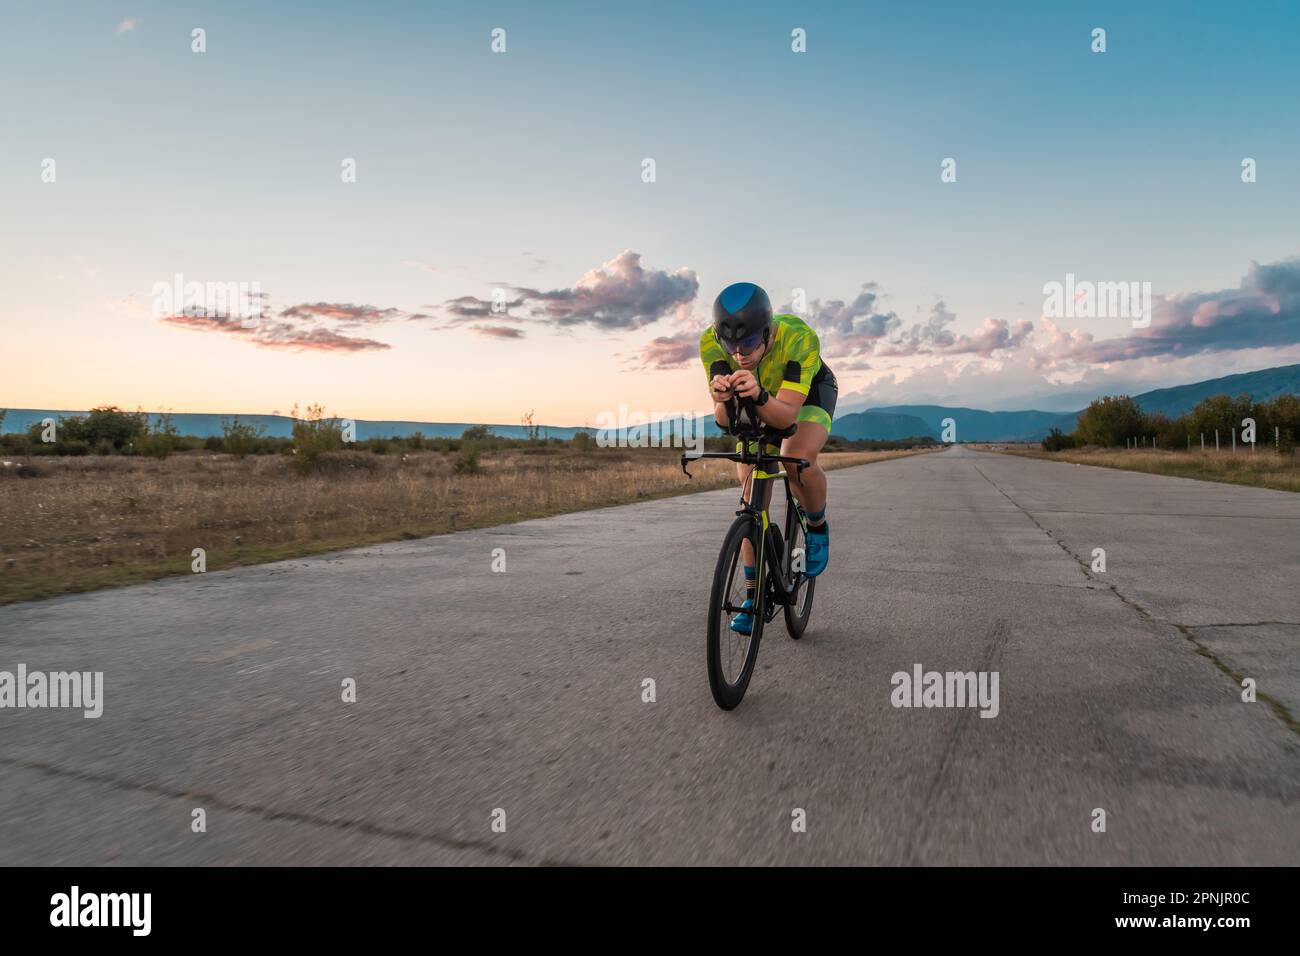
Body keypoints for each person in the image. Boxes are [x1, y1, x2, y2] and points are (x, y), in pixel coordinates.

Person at [699, 282, 837, 634]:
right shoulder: (710, 344)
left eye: (747, 343)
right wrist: (723, 399)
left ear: (768, 331)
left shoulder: (798, 338)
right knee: (750, 494)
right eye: (731, 345)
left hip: (806, 398)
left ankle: (817, 527)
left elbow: (788, 418)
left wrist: (759, 394)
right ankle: (752, 594)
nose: (739, 353)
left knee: (796, 460)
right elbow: (725, 422)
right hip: (756, 395)